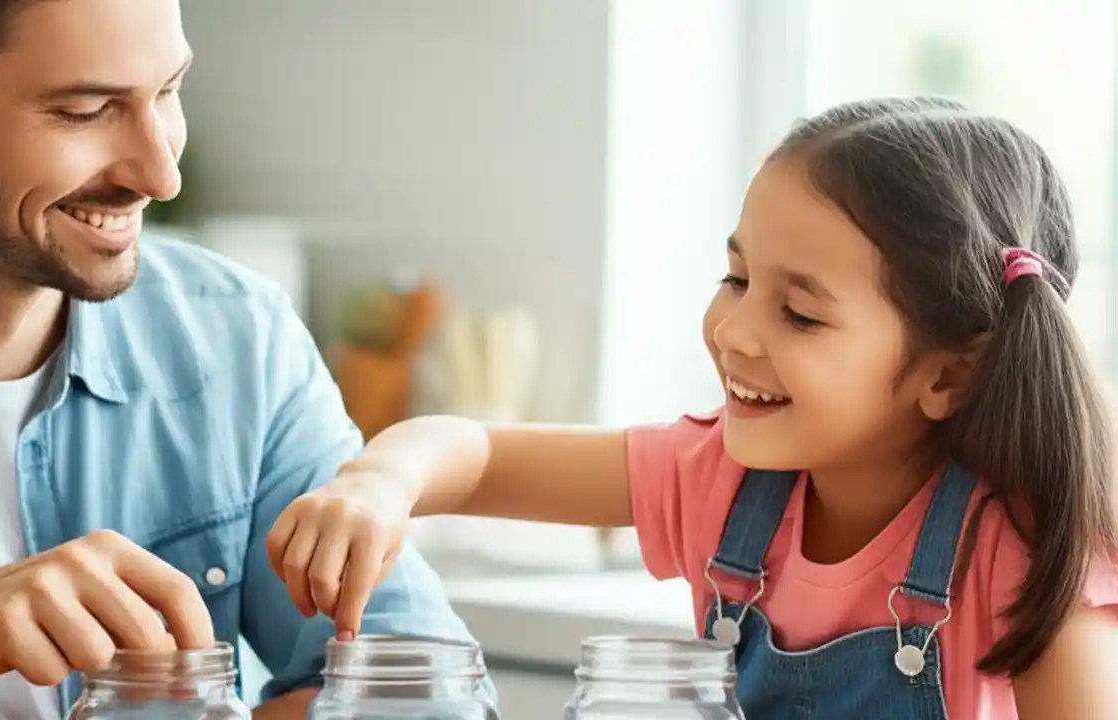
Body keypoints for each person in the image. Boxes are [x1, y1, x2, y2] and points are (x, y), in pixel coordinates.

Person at [270, 97, 1118, 719]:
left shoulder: (1020, 550)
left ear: (949, 375)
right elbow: (477, 455)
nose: (734, 331)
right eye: (737, 278)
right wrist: (380, 482)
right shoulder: (715, 482)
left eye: (801, 312)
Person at [0, 1, 478, 718]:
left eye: (168, 92)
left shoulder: (234, 340)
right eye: (84, 110)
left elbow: (418, 690)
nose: (160, 172)